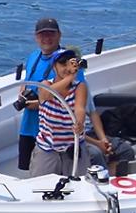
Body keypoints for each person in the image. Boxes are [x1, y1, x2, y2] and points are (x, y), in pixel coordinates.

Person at [29, 49, 94, 177]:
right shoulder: (45, 84)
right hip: (47, 148)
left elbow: (79, 108)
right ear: (54, 66)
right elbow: (47, 93)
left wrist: (79, 123)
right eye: (62, 64)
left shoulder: (80, 87)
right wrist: (70, 77)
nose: (66, 68)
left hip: (73, 147)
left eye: (69, 64)